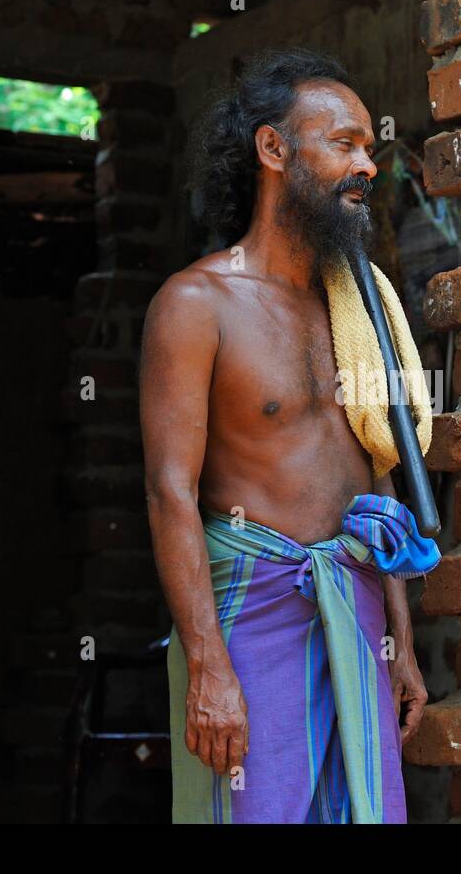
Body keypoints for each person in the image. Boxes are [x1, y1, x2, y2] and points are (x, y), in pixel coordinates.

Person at [139, 48, 436, 824]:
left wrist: (399, 640)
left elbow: (380, 477)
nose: (365, 165)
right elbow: (170, 491)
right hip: (251, 618)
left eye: (369, 146)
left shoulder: (360, 302)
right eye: (343, 142)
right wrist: (207, 665)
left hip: (359, 605)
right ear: (274, 150)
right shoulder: (196, 303)